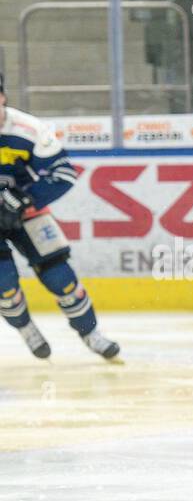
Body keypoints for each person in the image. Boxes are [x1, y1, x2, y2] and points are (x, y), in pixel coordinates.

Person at [0, 73, 120, 361]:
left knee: (59, 276)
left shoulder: (29, 129)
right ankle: (26, 328)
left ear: (2, 97)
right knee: (4, 287)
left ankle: (91, 334)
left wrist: (24, 199)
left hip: (26, 212)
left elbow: (63, 172)